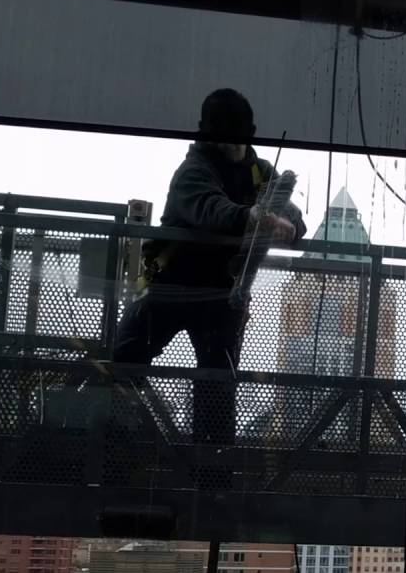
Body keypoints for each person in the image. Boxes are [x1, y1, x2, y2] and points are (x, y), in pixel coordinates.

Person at [112, 88, 307, 445]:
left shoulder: (259, 172)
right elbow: (210, 210)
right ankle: (114, 445)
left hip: (218, 295)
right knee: (125, 361)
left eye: (239, 140)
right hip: (172, 288)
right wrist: (253, 217)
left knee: (216, 385)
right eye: (227, 140)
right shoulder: (193, 172)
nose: (234, 149)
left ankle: (211, 474)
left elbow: (286, 209)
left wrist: (290, 225)